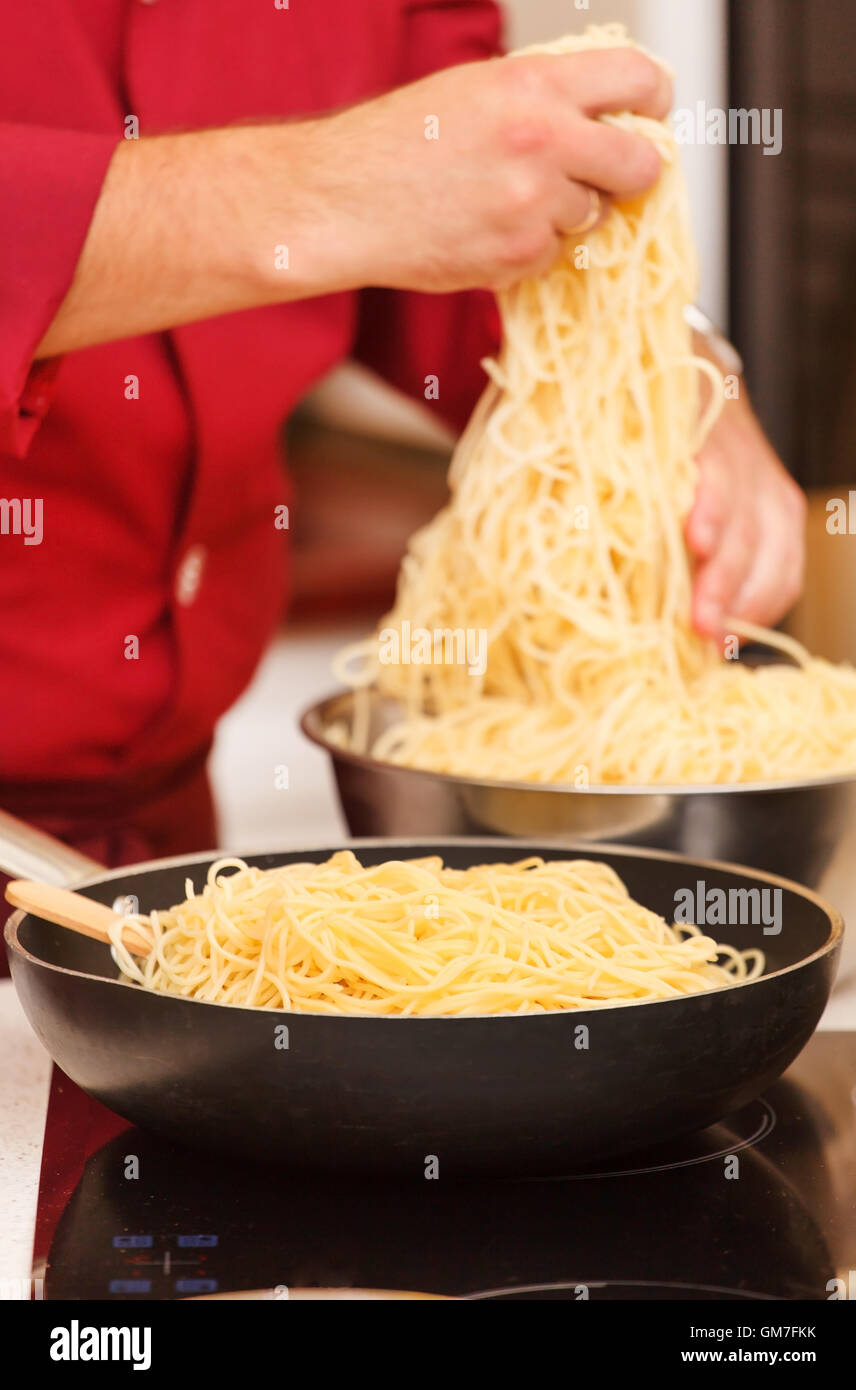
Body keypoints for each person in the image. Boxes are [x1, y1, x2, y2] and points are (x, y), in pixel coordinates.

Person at [0, 1, 805, 873]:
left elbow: (462, 214)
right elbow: (367, 190)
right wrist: (308, 192)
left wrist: (675, 364)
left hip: (156, 845)